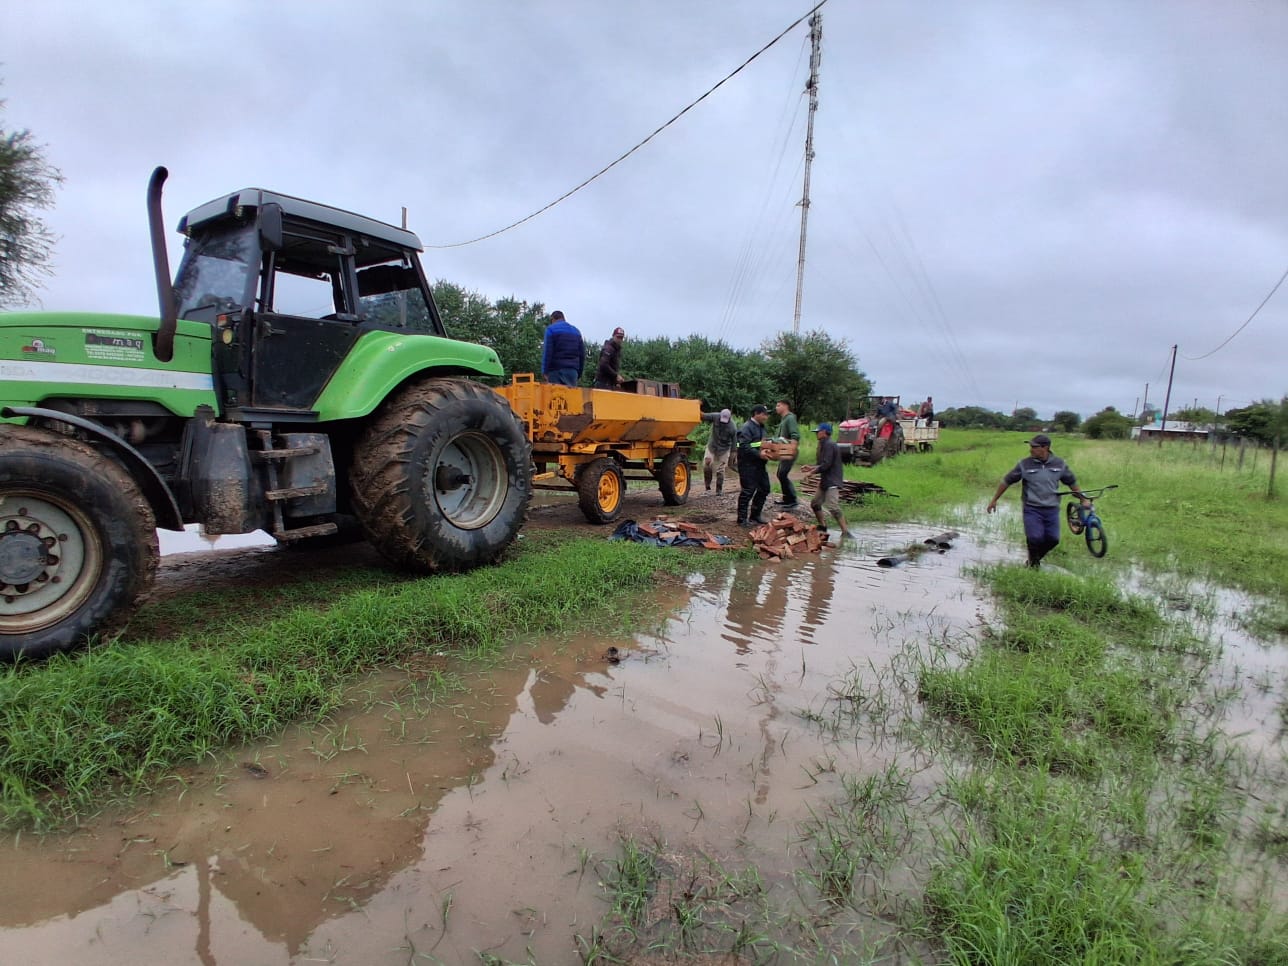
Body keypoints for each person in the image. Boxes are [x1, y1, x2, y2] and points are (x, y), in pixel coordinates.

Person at [986, 434, 1089, 568]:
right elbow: (1007, 481)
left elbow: (1072, 482)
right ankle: (1033, 566)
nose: (1031, 450)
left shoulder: (1059, 464)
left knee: (1053, 539)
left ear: (1045, 448)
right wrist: (994, 500)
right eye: (1031, 447)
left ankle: (1033, 560)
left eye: (1034, 447)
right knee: (1035, 538)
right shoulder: (1024, 464)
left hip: (1052, 509)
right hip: (1032, 508)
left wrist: (1083, 499)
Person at [806, 423, 849, 538]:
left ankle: (845, 531)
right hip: (826, 480)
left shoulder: (829, 445)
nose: (817, 434)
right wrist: (811, 467)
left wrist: (812, 472)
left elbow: (826, 464)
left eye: (818, 432)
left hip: (832, 481)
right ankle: (823, 525)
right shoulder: (823, 444)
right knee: (815, 503)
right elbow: (822, 464)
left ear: (824, 432)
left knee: (833, 507)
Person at [736, 404, 772, 527]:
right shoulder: (746, 428)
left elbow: (760, 443)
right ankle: (742, 519)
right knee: (748, 491)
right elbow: (744, 446)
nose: (766, 417)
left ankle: (755, 515)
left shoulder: (761, 427)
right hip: (747, 464)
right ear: (756, 413)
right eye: (764, 414)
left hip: (760, 464)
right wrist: (759, 454)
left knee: (764, 488)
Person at [541, 310, 585, 386]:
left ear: (552, 319)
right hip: (572, 372)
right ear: (563, 318)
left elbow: (547, 352)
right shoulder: (576, 331)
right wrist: (579, 373)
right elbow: (582, 354)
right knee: (571, 397)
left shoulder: (550, 330)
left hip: (555, 371)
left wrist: (544, 371)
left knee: (556, 397)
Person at [700, 408, 737, 493]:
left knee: (720, 470)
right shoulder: (715, 416)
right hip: (712, 446)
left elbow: (734, 444)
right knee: (707, 465)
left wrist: (733, 455)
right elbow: (703, 416)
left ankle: (719, 490)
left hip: (724, 449)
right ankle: (707, 487)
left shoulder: (732, 428)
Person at [774, 399, 801, 509]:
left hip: (788, 450)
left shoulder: (790, 418)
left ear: (785, 406)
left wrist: (792, 449)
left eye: (778, 405)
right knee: (780, 474)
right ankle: (786, 499)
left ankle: (792, 500)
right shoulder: (784, 419)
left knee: (782, 474)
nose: (776, 407)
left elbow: (795, 435)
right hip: (783, 450)